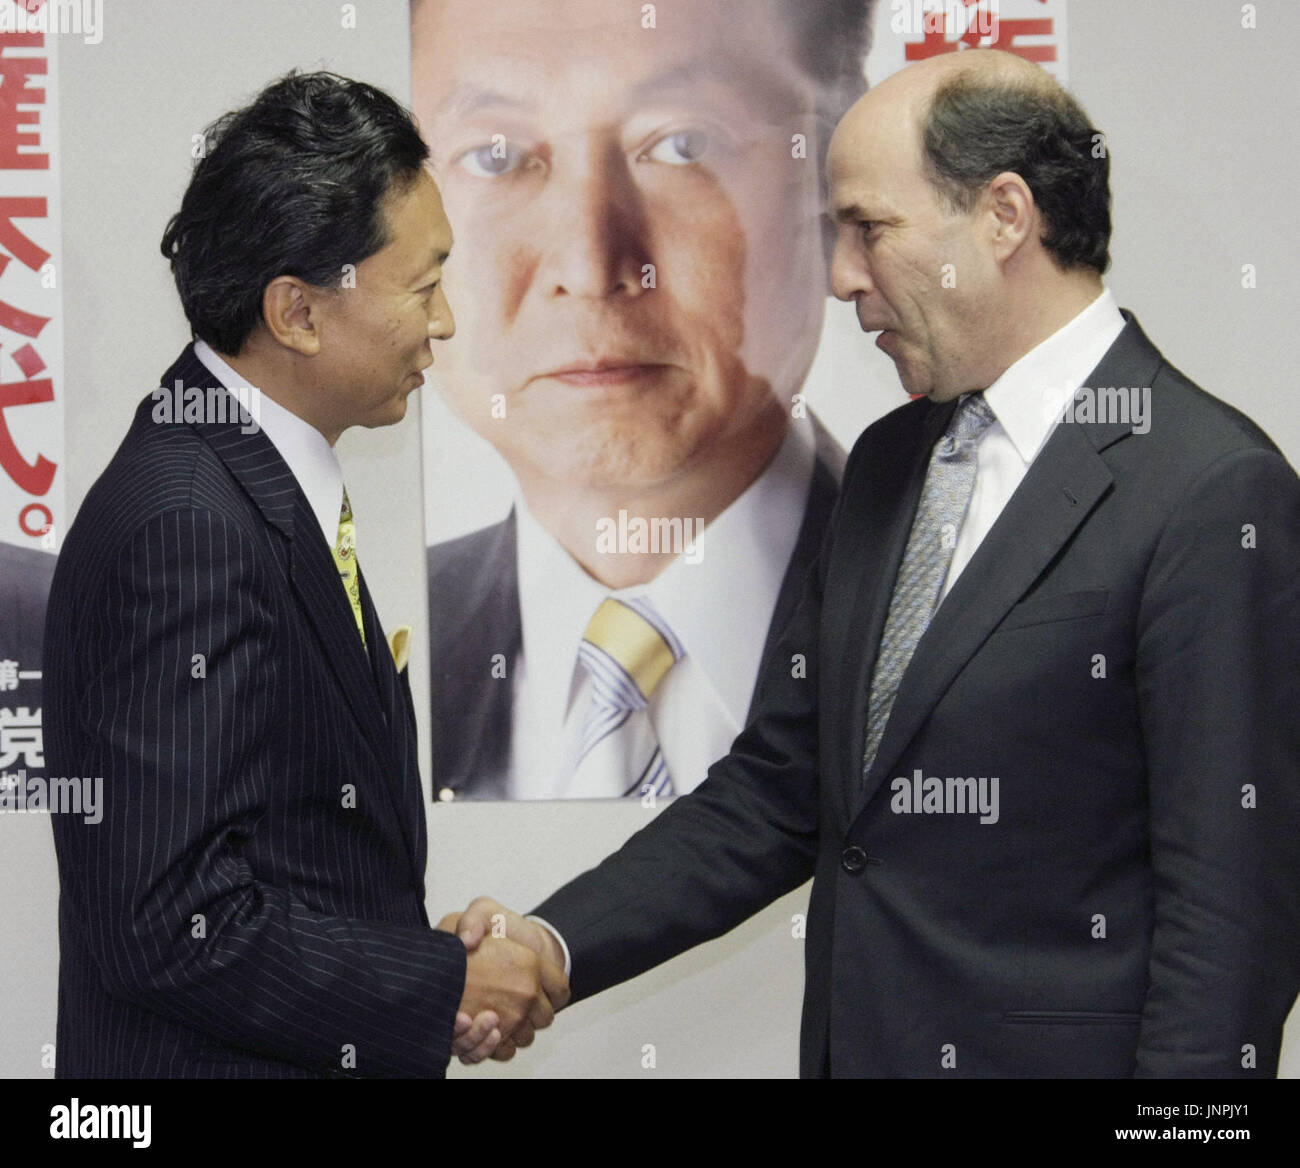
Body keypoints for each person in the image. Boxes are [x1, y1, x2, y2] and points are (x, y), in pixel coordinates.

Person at [448, 50, 1300, 1075]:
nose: (844, 276)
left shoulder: (1209, 490)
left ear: (1002, 215)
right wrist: (549, 942)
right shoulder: (892, 462)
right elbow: (780, 790)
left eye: (870, 229)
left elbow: (1233, 921)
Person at [43, 71, 565, 1078]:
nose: (446, 322)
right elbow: (168, 921)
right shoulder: (189, 521)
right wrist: (433, 981)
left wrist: (415, 964)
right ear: (298, 311)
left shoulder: (249, 480)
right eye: (423, 286)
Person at [410, 0, 877, 800]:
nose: (590, 263)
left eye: (682, 144)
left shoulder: (983, 626)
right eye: (493, 154)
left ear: (835, 183)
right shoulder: (342, 650)